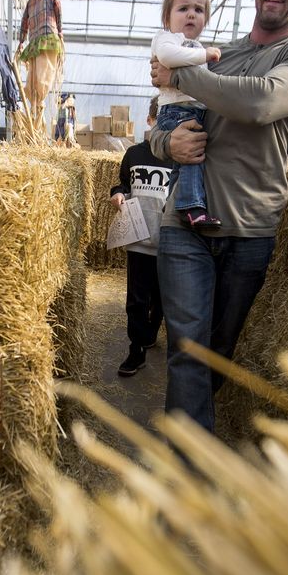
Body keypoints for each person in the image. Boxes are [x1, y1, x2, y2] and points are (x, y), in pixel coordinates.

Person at [149, 0, 288, 434]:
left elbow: (260, 101)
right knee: (188, 350)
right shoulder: (216, 52)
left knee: (217, 352)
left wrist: (179, 74)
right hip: (185, 226)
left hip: (250, 228)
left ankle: (188, 426)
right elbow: (161, 118)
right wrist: (165, 143)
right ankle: (185, 469)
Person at [151, 0, 223, 230]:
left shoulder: (195, 45)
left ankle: (172, 202)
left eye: (198, 10)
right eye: (183, 9)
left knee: (182, 163)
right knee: (193, 156)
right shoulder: (168, 39)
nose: (191, 14)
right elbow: (168, 57)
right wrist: (206, 55)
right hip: (177, 110)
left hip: (190, 109)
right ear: (167, 18)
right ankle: (193, 207)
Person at [110, 95, 173, 376]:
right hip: (139, 238)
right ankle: (136, 350)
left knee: (162, 296)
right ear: (150, 120)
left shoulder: (180, 159)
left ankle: (150, 333)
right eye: (161, 118)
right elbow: (123, 183)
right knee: (136, 298)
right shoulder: (134, 154)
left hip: (171, 242)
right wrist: (118, 194)